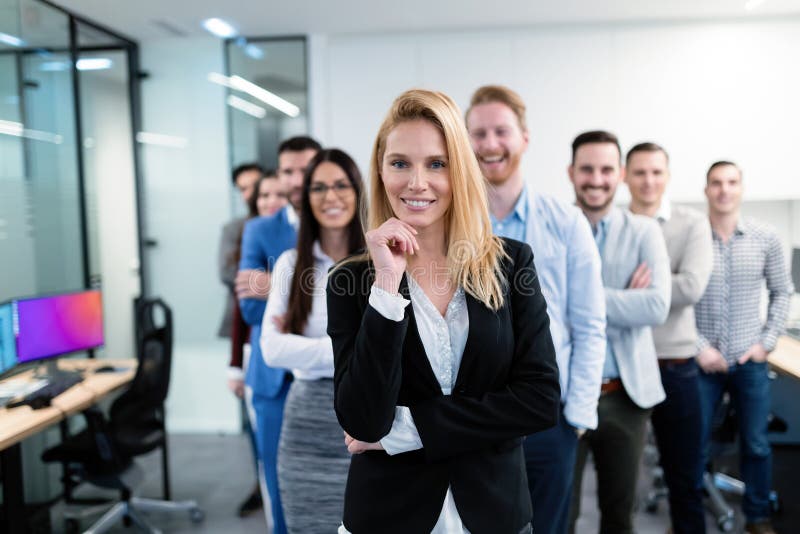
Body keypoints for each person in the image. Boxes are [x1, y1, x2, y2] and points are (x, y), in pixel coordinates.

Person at [327, 89, 561, 534]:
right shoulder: (352, 281)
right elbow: (362, 421)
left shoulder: (511, 265)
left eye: (437, 163)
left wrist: (408, 429)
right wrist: (387, 287)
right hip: (388, 516)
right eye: (400, 163)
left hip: (494, 512)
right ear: (380, 170)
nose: (417, 182)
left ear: (461, 171)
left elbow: (540, 400)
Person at [465, 85, 605, 534]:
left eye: (501, 131)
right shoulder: (449, 226)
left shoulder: (565, 222)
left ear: (524, 137)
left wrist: (576, 420)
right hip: (473, 417)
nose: (489, 144)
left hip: (548, 419)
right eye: (479, 133)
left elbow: (588, 324)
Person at [566, 130, 670, 534]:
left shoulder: (645, 231)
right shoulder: (555, 225)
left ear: (620, 174)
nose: (596, 179)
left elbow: (656, 305)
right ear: (571, 172)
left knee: (619, 514)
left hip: (625, 396)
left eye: (607, 169)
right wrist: (622, 299)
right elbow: (542, 308)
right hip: (565, 392)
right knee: (559, 512)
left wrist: (581, 299)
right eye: (587, 169)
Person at [261, 148, 365, 532]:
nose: (330, 196)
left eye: (340, 185)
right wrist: (347, 349)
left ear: (357, 191)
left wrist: (305, 349)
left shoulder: (379, 263)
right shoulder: (292, 264)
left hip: (362, 422)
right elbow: (272, 349)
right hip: (304, 425)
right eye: (318, 187)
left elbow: (389, 351)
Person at [695, 161, 793, 534]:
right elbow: (679, 300)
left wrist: (765, 344)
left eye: (731, 182)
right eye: (716, 183)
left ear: (741, 188)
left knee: (756, 444)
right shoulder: (691, 238)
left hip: (748, 359)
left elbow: (783, 291)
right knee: (693, 444)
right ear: (706, 190)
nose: (724, 189)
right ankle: (690, 517)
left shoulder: (764, 236)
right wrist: (700, 347)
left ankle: (757, 517)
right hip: (702, 361)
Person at [625, 142, 712, 533]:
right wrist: (659, 288)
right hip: (624, 366)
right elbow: (594, 288)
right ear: (626, 176)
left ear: (668, 176)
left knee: (685, 480)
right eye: (640, 172)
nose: (648, 181)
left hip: (675, 365)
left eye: (656, 172)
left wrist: (637, 290)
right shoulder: (612, 223)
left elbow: (692, 287)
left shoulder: (691, 223)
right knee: (620, 486)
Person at [238, 136, 322, 534]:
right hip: (273, 382)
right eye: (287, 170)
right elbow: (250, 308)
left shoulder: (343, 225)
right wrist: (318, 287)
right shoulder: (259, 229)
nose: (296, 179)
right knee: (278, 484)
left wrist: (278, 282)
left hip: (328, 379)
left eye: (305, 169)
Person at [217, 162, 264, 516]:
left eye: (255, 186)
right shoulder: (238, 228)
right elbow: (231, 277)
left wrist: (270, 283)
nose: (249, 194)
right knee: (252, 420)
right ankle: (257, 483)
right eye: (244, 189)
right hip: (244, 327)